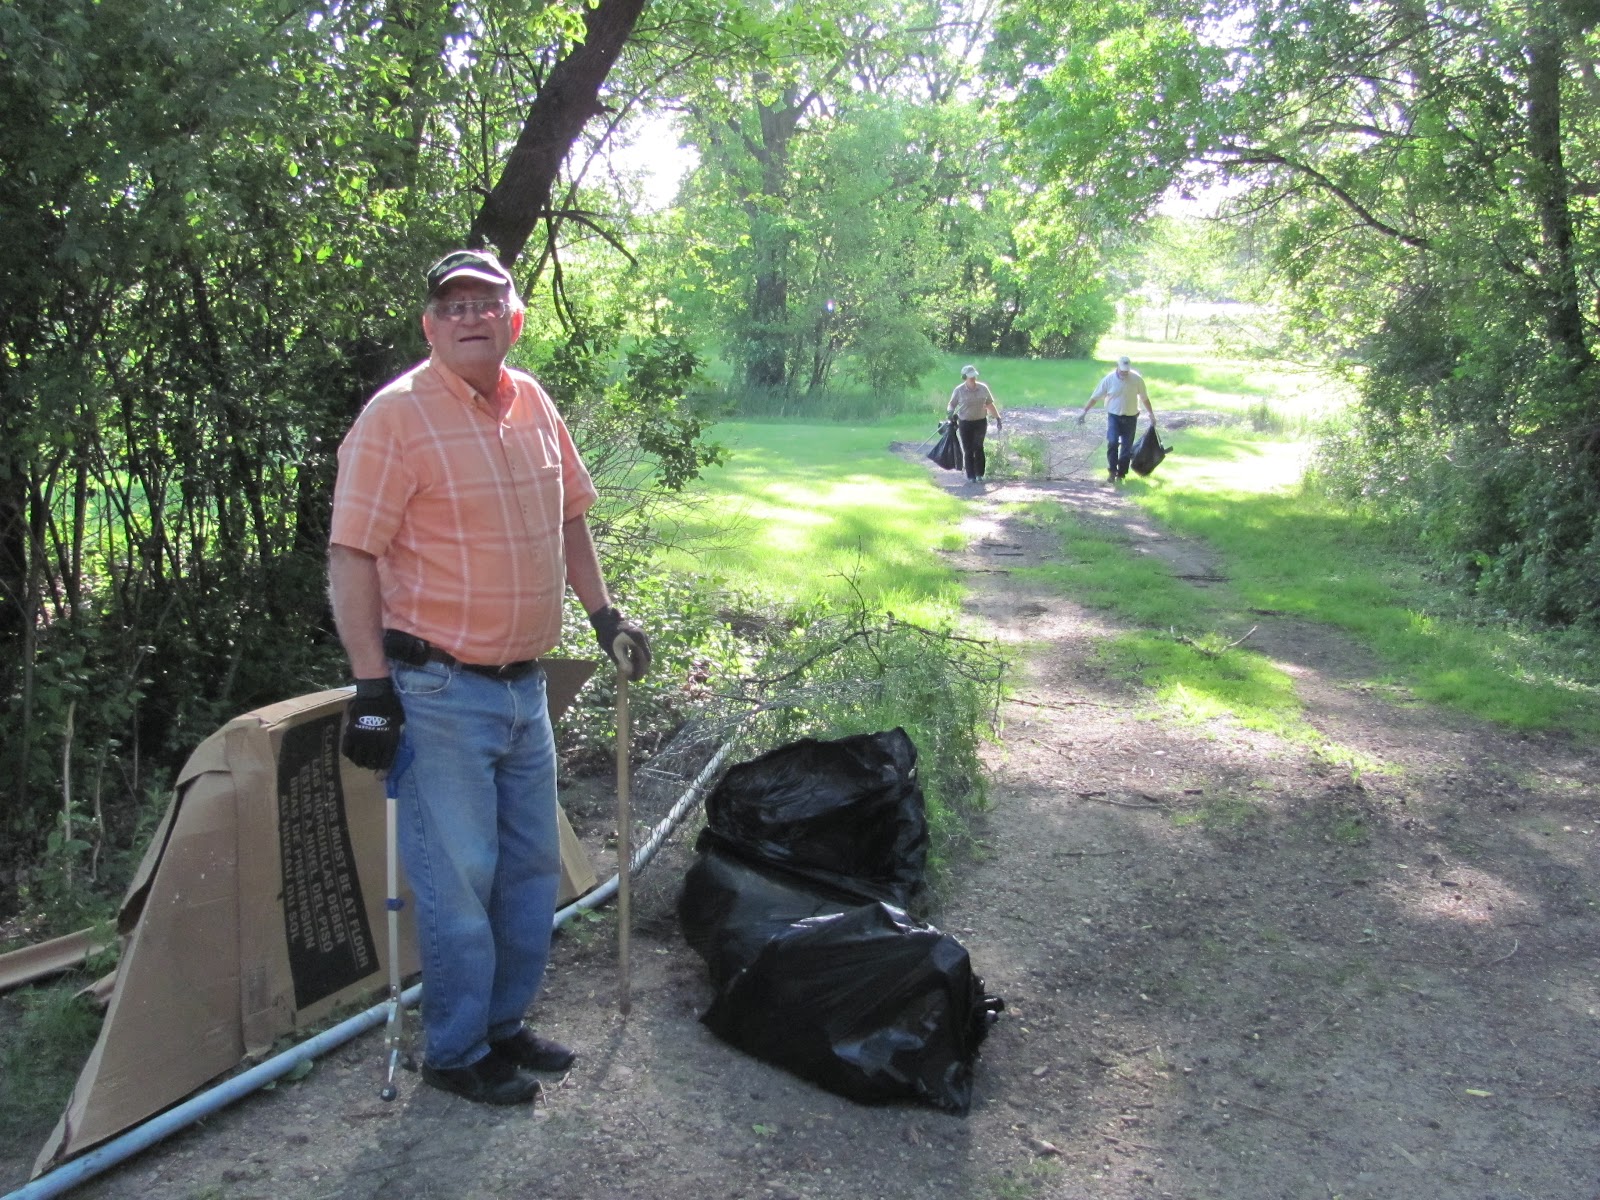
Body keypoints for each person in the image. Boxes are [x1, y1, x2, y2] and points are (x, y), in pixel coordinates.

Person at [328, 249, 651, 1106]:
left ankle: (503, 1025)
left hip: (526, 689)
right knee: (459, 878)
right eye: (454, 305)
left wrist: (605, 616)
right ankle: (456, 1049)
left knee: (530, 869)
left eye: (486, 303)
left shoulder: (533, 402)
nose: (471, 316)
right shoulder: (394, 418)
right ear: (431, 326)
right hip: (437, 692)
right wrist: (370, 689)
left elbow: (570, 516)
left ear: (514, 319)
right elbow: (352, 554)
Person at [1079, 354, 1155, 483]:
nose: (1124, 373)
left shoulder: (1137, 379)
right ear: (1117, 367)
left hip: (1131, 417)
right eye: (1122, 371)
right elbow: (1095, 397)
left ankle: (1121, 474)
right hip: (1114, 416)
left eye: (1126, 371)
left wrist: (1151, 414)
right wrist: (1084, 412)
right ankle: (1112, 471)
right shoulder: (1108, 380)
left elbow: (1144, 398)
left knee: (1126, 447)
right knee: (1113, 442)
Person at [947, 364, 1003, 483]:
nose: (973, 378)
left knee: (978, 447)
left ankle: (979, 474)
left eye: (974, 376)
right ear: (964, 377)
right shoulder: (959, 390)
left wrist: (997, 418)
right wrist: (950, 412)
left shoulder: (983, 388)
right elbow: (951, 404)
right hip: (965, 423)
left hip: (980, 422)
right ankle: (970, 475)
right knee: (968, 449)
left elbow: (989, 404)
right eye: (970, 376)